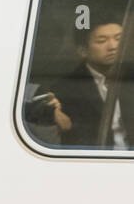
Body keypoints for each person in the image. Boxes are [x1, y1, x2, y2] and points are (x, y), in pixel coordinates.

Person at [46, 17, 134, 149]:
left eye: (118, 38)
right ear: (83, 51)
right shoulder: (66, 89)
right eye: (102, 41)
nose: (113, 47)